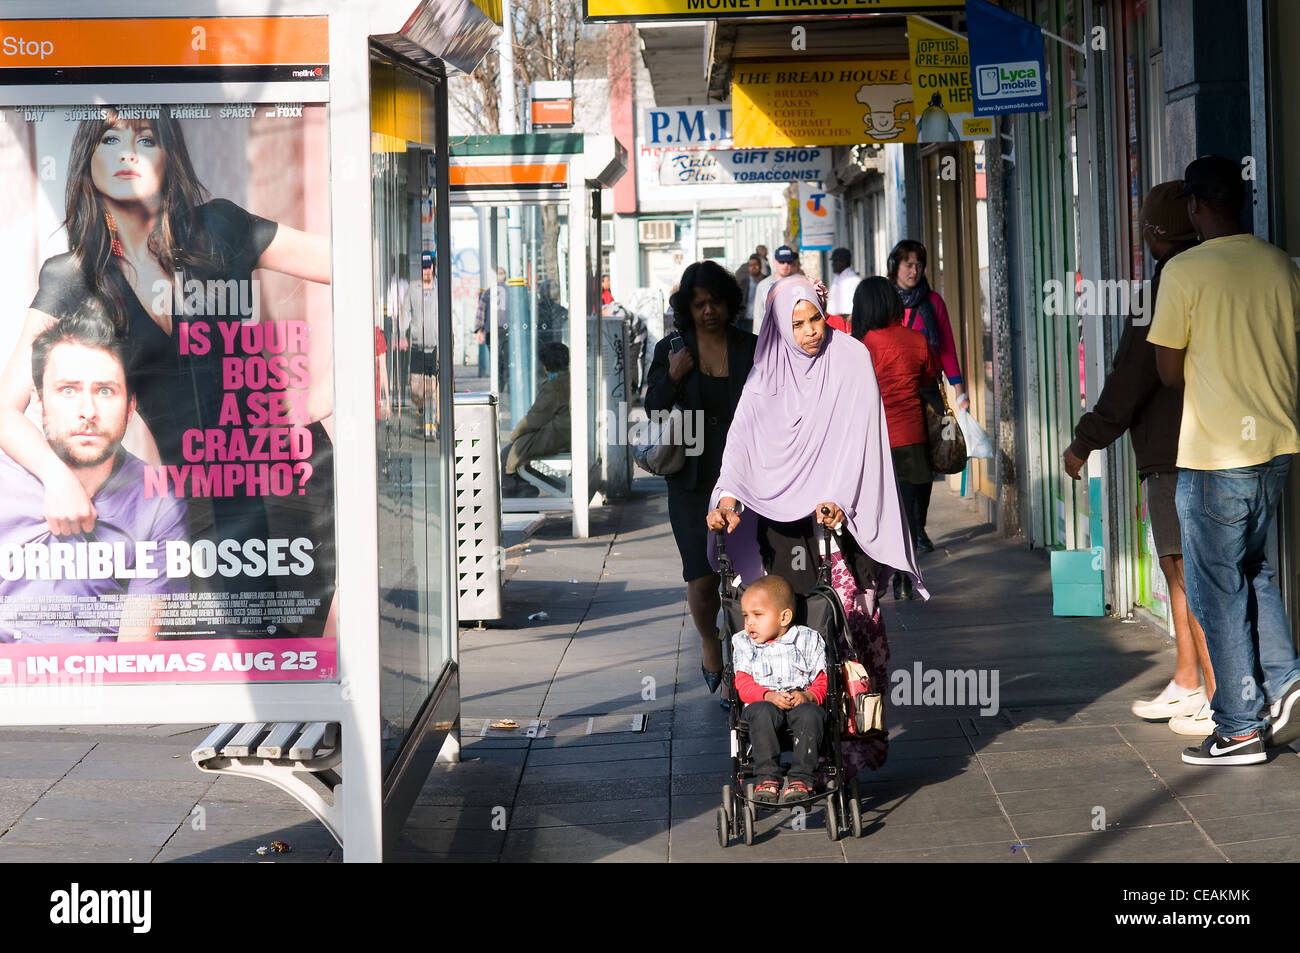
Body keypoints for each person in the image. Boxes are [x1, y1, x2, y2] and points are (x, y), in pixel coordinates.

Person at [0, 108, 335, 634]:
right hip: (190, 497)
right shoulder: (76, 276)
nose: (128, 152)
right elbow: (5, 409)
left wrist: (334, 385)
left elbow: (361, 261)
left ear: (168, 155)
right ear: (88, 161)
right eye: (110, 139)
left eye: (146, 138)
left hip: (286, 476)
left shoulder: (221, 227)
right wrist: (57, 477)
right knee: (226, 661)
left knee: (305, 652)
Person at [707, 275, 923, 779]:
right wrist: (727, 498)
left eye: (815, 319)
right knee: (796, 626)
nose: (809, 332)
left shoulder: (850, 358)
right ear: (780, 327)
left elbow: (862, 439)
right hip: (783, 527)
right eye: (797, 323)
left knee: (851, 631)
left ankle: (847, 753)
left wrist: (839, 497)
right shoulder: (766, 374)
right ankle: (802, 745)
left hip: (841, 525)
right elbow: (741, 446)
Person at [1148, 155, 1300, 766]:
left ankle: (1238, 727)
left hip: (1216, 456)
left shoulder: (1184, 271)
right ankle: (1286, 680)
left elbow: (1166, 368)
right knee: (1254, 569)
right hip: (1278, 448)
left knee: (1216, 589)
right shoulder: (1281, 266)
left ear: (1194, 206)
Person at [1063, 181, 1212, 735]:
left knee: (1188, 572)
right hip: (1196, 444)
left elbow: (1133, 376)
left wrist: (1085, 441)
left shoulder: (1168, 285)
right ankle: (1188, 678)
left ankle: (1219, 699)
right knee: (1180, 571)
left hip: (1176, 451)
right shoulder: (1201, 272)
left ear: (1152, 233)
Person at [0, 315, 188, 642]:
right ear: (40, 401)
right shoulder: (6, 483)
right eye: (68, 390)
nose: (88, 411)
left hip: (104, 687)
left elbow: (136, 654)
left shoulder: (159, 499)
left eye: (105, 390)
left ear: (131, 406)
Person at [645, 261, 757, 698]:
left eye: (715, 302)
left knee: (746, 571)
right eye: (699, 304)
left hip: (744, 473)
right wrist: (673, 375)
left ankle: (744, 663)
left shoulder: (749, 346)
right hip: (691, 479)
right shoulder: (672, 348)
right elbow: (653, 406)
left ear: (728, 302)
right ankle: (711, 643)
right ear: (687, 308)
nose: (708, 310)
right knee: (701, 573)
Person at [852, 276, 939, 600]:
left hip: (875, 441)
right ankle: (909, 567)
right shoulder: (916, 340)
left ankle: (889, 571)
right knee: (912, 506)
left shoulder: (861, 346)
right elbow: (931, 374)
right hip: (913, 437)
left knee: (886, 509)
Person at [889, 238, 967, 552]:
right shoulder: (886, 299)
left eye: (919, 264)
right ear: (896, 265)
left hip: (928, 392)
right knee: (902, 468)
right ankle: (904, 528)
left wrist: (959, 390)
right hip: (893, 394)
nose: (914, 270)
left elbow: (946, 347)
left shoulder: (933, 302)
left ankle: (918, 527)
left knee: (927, 465)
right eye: (908, 263)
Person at [732, 574, 827, 804]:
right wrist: (766, 695)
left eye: (757, 615)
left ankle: (801, 778)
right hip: (762, 702)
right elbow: (742, 683)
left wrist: (808, 696)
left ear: (784, 617)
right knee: (762, 712)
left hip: (799, 700)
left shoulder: (808, 639)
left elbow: (822, 679)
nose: (749, 623)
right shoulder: (744, 643)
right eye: (745, 616)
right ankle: (767, 777)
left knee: (811, 714)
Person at [405, 250, 440, 437]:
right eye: (424, 268)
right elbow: (404, 313)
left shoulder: (439, 290)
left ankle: (430, 423)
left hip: (435, 346)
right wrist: (400, 334)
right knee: (417, 389)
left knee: (432, 387)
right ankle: (422, 411)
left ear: (433, 267)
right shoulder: (413, 289)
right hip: (417, 344)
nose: (427, 271)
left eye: (429, 267)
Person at [751, 244, 800, 336]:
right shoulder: (763, 286)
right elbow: (759, 316)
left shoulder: (800, 283)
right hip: (772, 336)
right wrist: (758, 341)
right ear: (774, 262)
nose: (785, 265)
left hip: (796, 336)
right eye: (781, 261)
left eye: (789, 262)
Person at [475, 267, 509, 379]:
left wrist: (480, 330)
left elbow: (481, 311)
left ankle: (498, 382)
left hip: (491, 330)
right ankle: (505, 381)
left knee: (495, 359)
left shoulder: (488, 292)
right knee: (507, 358)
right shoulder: (511, 291)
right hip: (507, 329)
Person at [825, 247, 861, 331]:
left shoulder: (854, 280)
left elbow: (861, 302)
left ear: (843, 262)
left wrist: (851, 317)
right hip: (835, 320)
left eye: (835, 261)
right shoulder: (837, 277)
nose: (832, 264)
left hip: (847, 320)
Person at [734, 255, 762, 332]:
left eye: (755, 265)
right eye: (751, 265)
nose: (753, 267)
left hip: (761, 319)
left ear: (760, 266)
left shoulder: (766, 281)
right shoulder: (743, 282)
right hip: (745, 319)